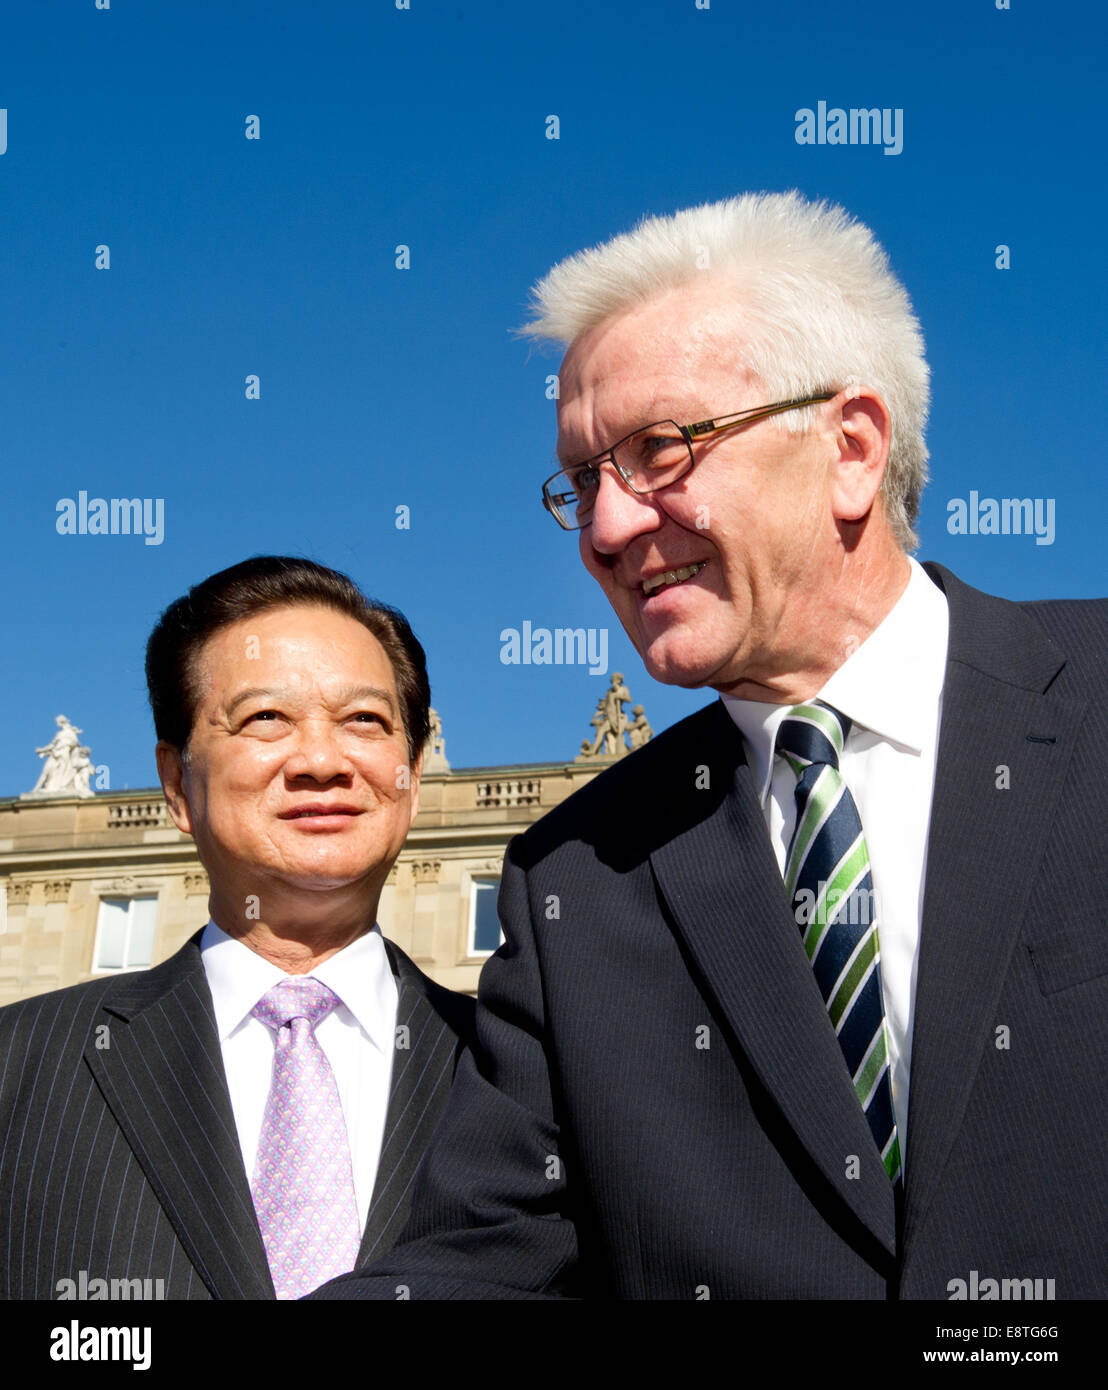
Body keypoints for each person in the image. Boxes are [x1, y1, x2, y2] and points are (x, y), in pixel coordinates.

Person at [314, 192, 1108, 1300]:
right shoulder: (574, 878)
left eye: (658, 450)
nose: (604, 529)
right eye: (584, 479)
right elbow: (485, 1266)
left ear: (850, 448)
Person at [0, 556, 475, 1300]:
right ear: (176, 783)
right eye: (265, 719)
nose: (322, 760)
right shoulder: (16, 1068)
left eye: (364, 721)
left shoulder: (525, 1075)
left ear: (411, 774)